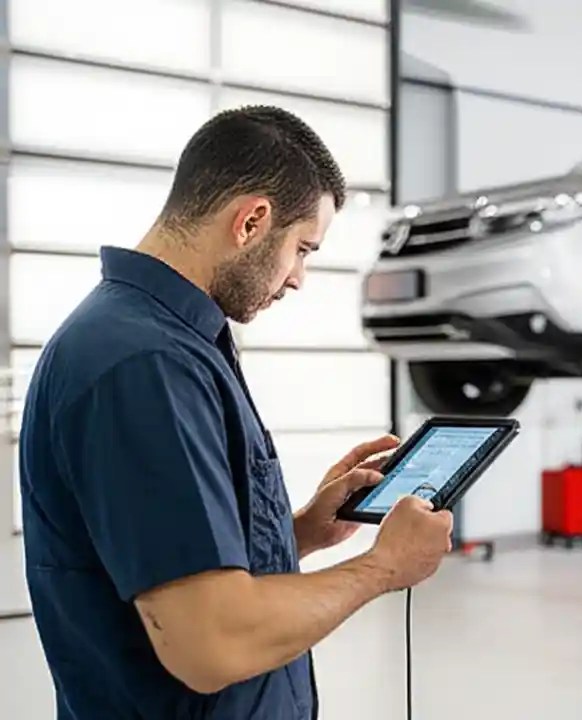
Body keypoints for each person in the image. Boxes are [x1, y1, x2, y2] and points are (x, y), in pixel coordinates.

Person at [19, 106, 455, 719]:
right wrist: (384, 566)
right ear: (252, 221)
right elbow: (211, 643)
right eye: (302, 249)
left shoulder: (165, 340)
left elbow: (161, 558)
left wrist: (303, 532)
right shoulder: (144, 363)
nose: (299, 277)